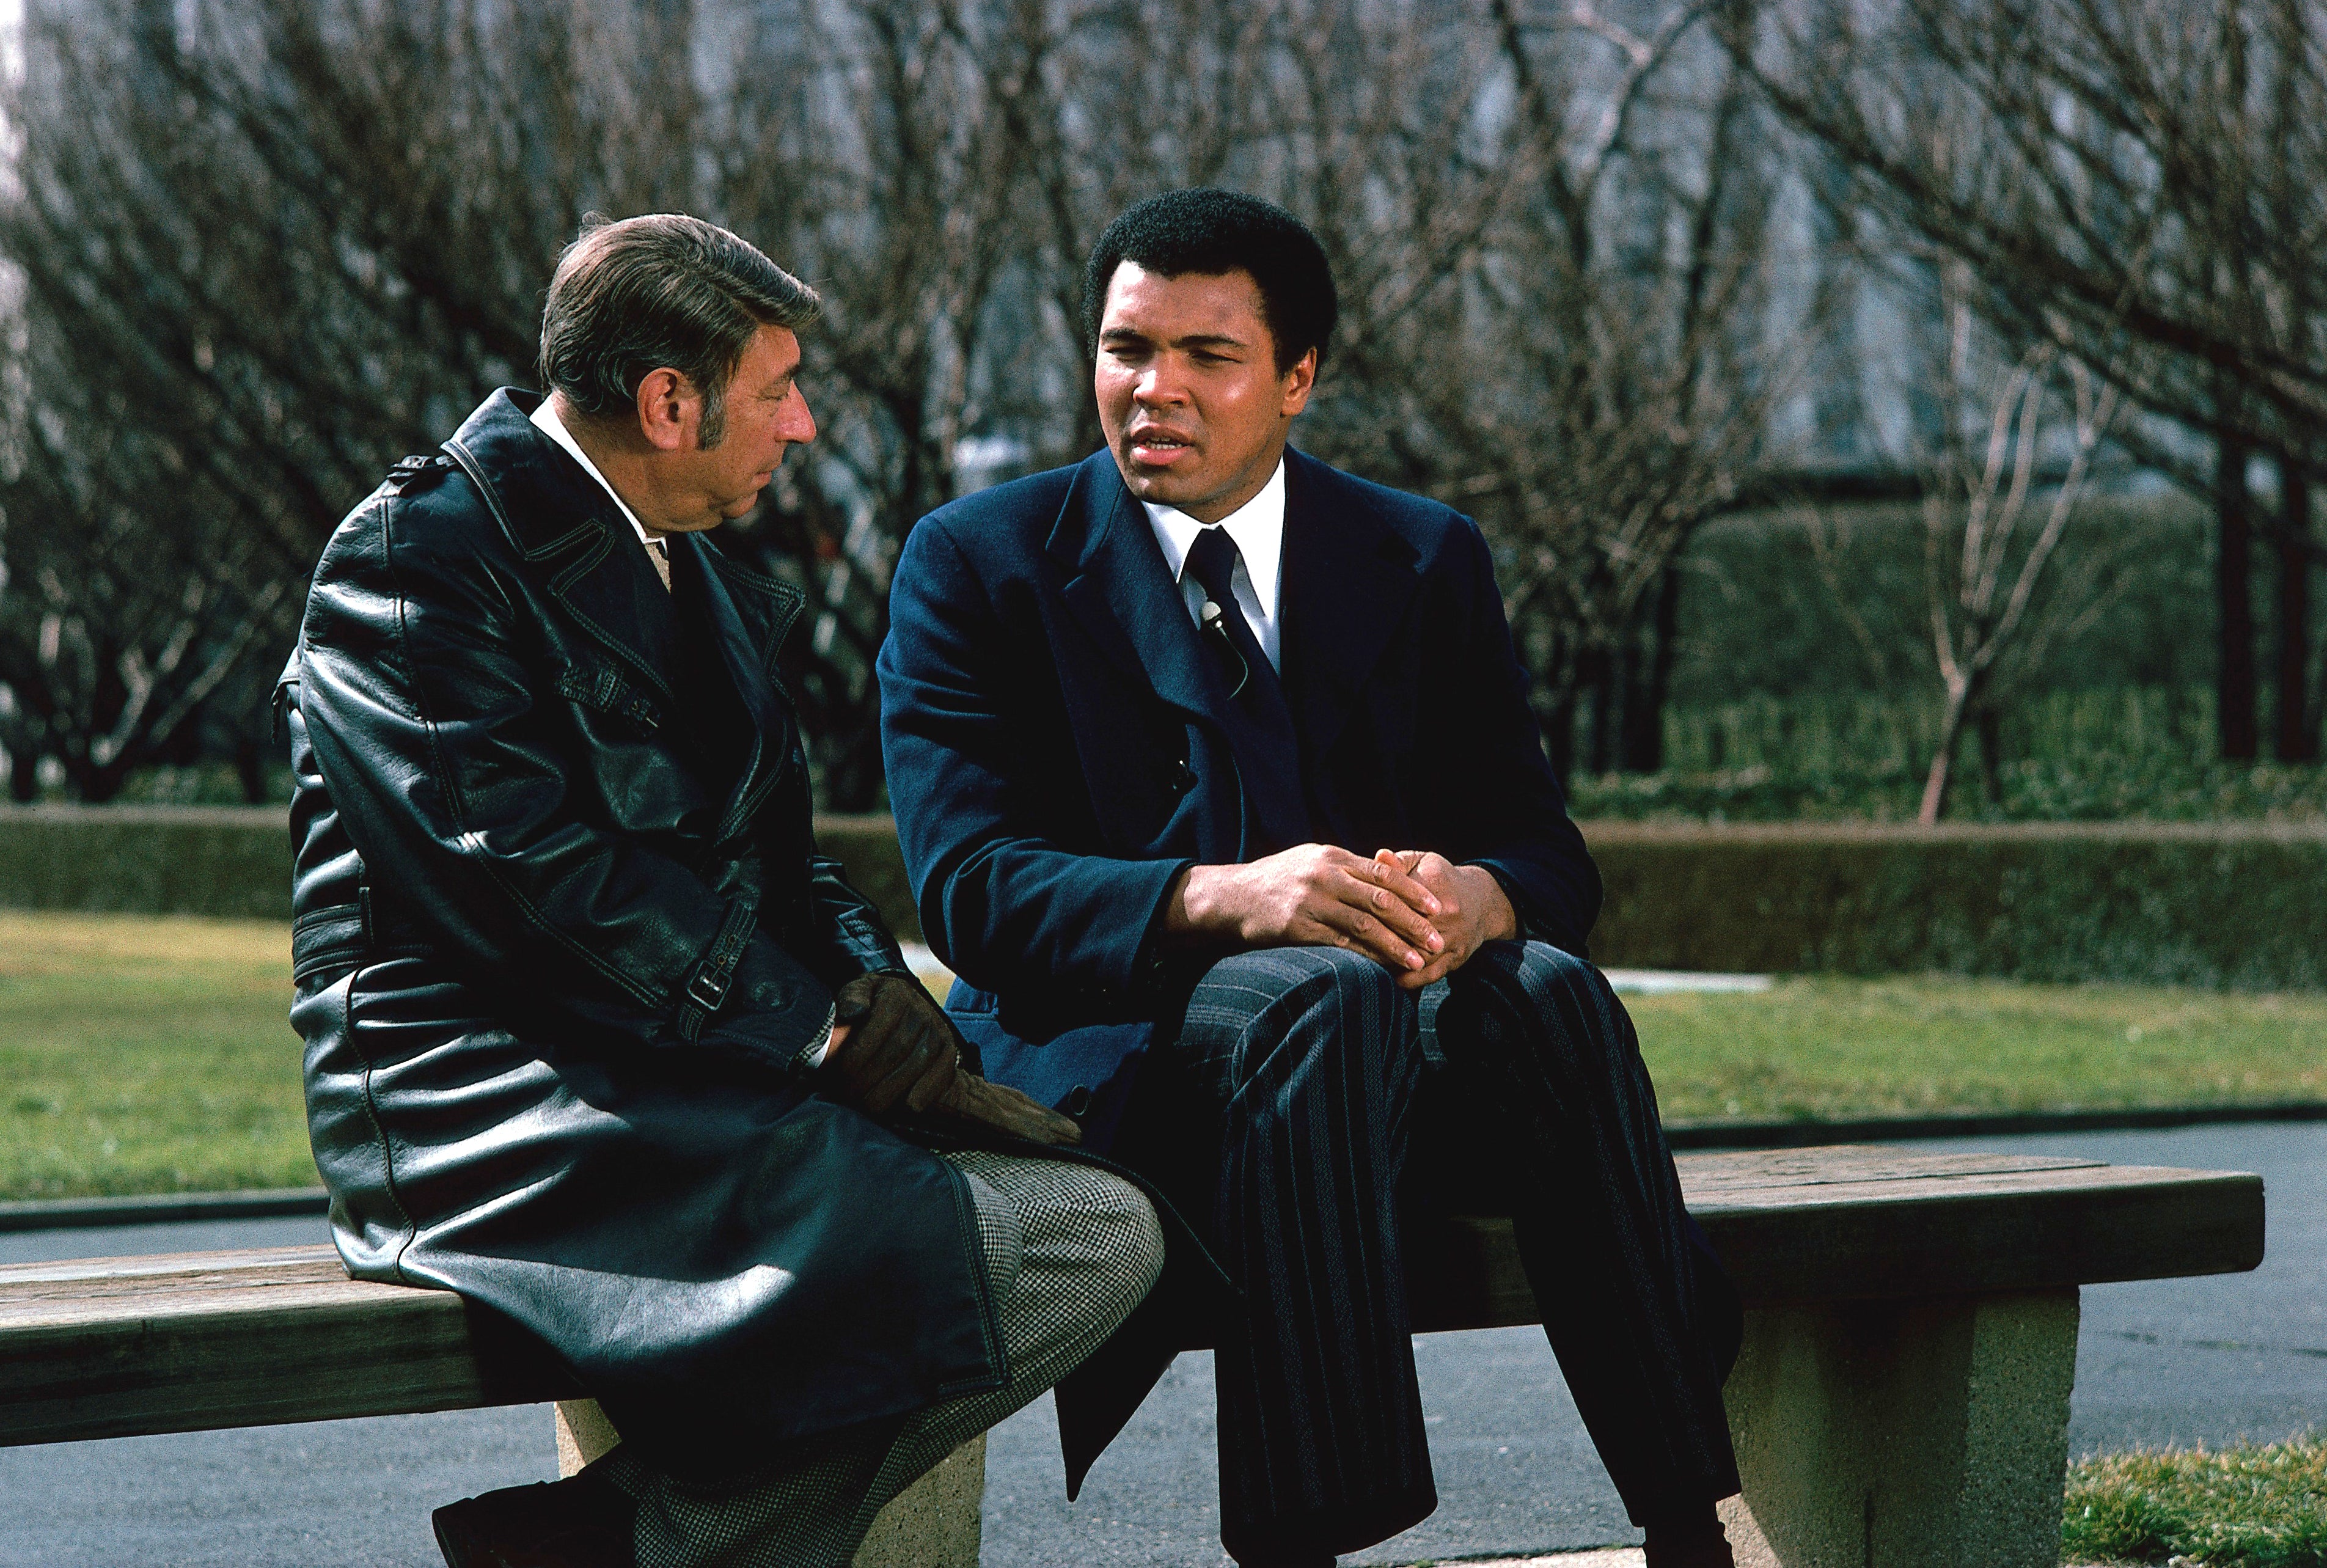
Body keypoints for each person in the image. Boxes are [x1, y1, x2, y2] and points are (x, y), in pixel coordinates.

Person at [280, 212, 1164, 1568]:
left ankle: (626, 1538)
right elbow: (527, 879)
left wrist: (876, 997)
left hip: (660, 1065)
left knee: (1092, 1210)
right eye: (778, 389)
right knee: (1075, 1238)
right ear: (669, 400)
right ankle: (643, 1542)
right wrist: (817, 1033)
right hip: (477, 1094)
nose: (802, 425)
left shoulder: (684, 558)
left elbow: (787, 860)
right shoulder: (416, 556)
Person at [878, 188, 1743, 1567]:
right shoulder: (978, 564)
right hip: (1117, 1072)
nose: (1150, 388)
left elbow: (1543, 848)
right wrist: (1226, 894)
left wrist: (1479, 897)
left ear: (1296, 378)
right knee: (1317, 994)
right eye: (1122, 347)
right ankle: (1302, 1546)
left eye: (1203, 356)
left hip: (1395, 1084)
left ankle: (1685, 1517)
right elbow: (971, 892)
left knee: (1551, 992)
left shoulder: (1419, 553)